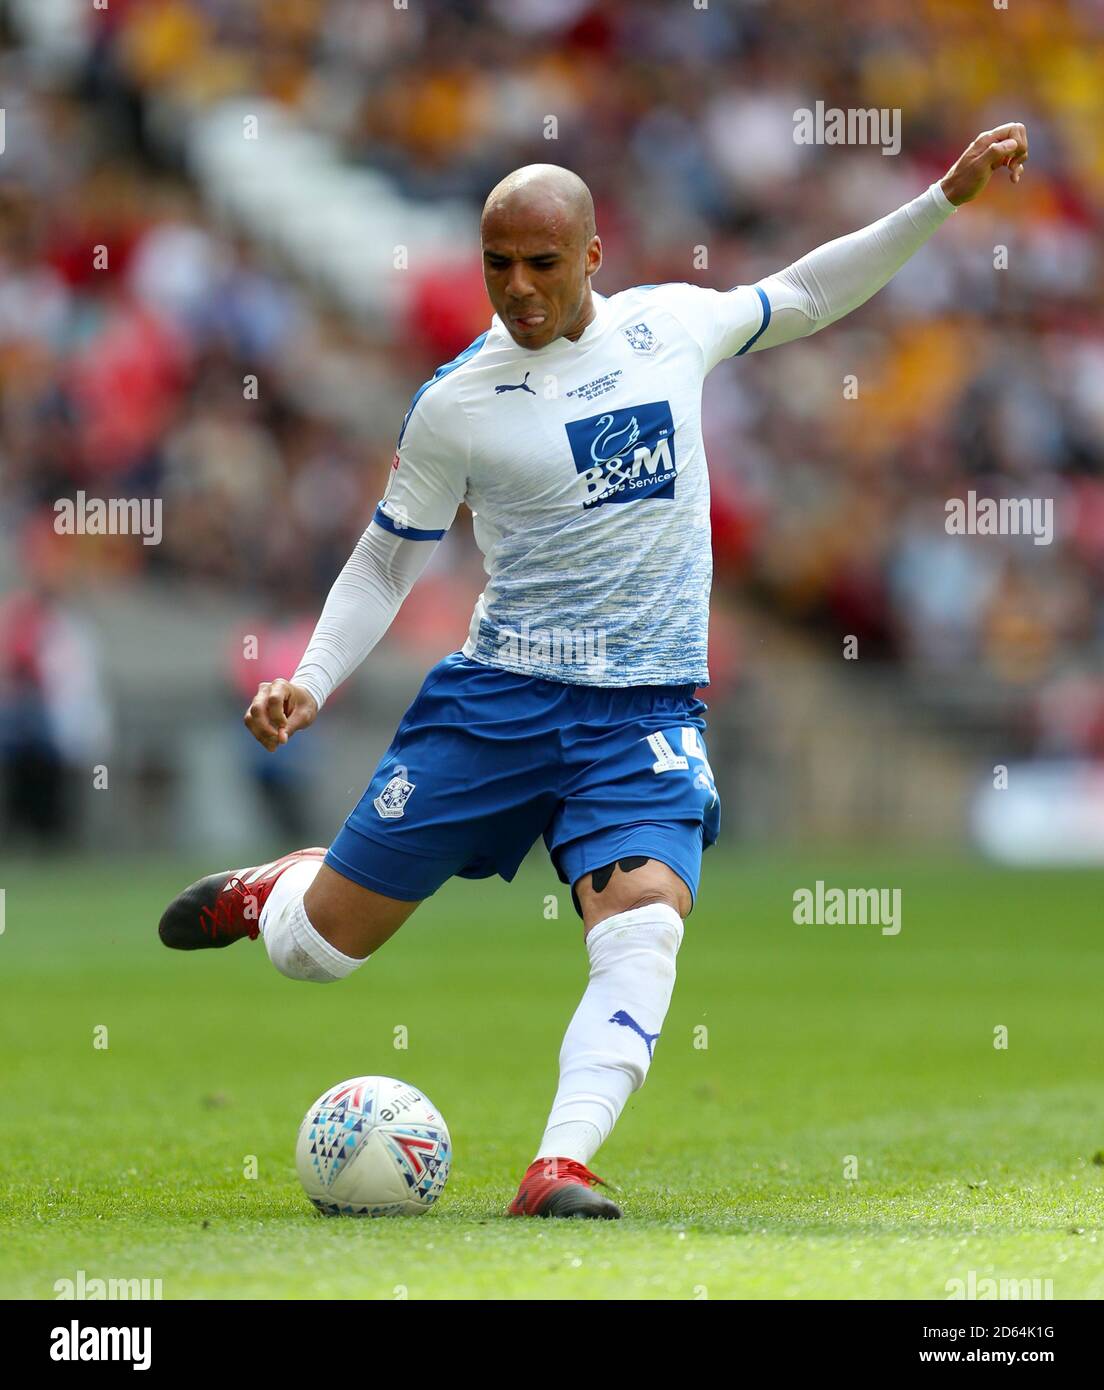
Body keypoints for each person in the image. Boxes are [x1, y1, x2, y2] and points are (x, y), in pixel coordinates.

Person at [159, 126, 1028, 1219]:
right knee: (313, 955)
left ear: (593, 256)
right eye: (496, 263)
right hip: (498, 703)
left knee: (646, 925)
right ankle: (277, 888)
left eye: (542, 262)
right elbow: (388, 555)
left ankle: (557, 1165)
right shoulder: (456, 403)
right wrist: (312, 677)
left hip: (644, 712)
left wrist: (941, 200)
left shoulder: (671, 329)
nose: (517, 288)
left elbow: (805, 292)